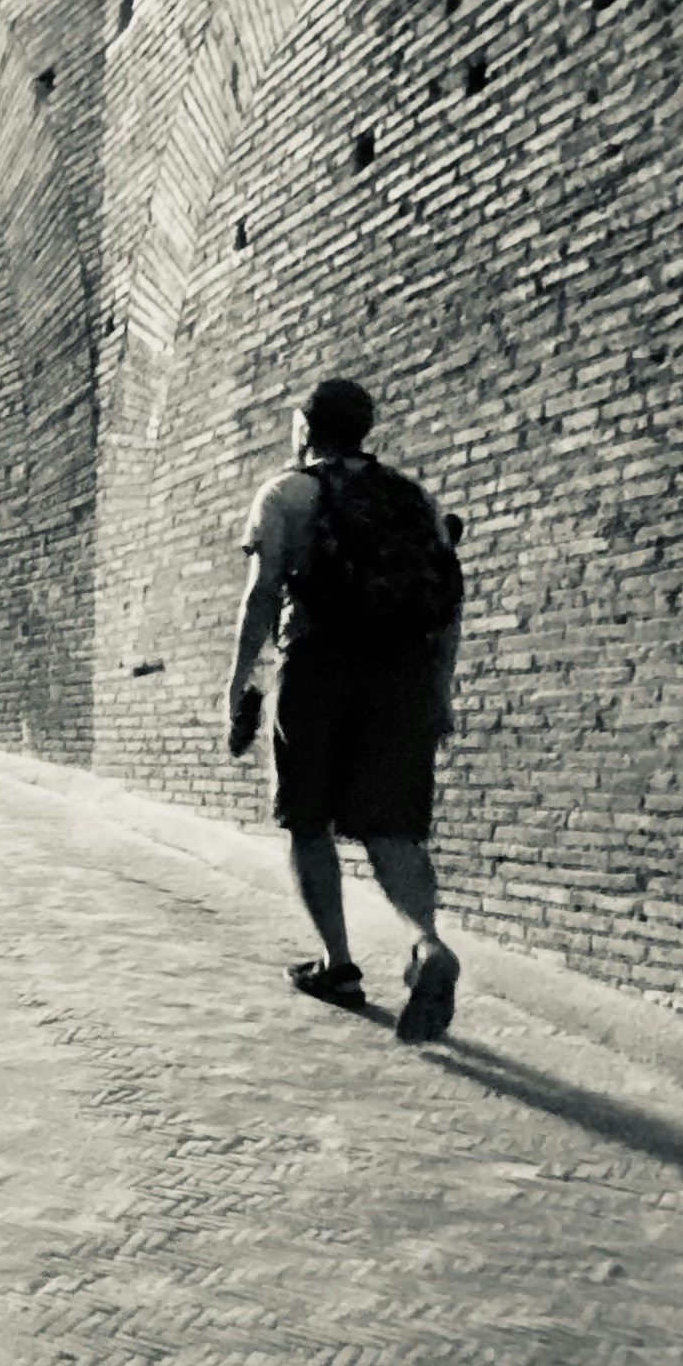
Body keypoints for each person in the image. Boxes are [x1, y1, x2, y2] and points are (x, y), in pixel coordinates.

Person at [223, 374, 464, 1043]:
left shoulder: (288, 493)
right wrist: (439, 690)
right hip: (402, 677)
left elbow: (262, 595)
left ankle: (339, 966)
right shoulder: (413, 498)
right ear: (364, 431)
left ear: (305, 427)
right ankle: (428, 944)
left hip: (318, 667)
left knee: (307, 821)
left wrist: (237, 683)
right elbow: (447, 603)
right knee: (392, 829)